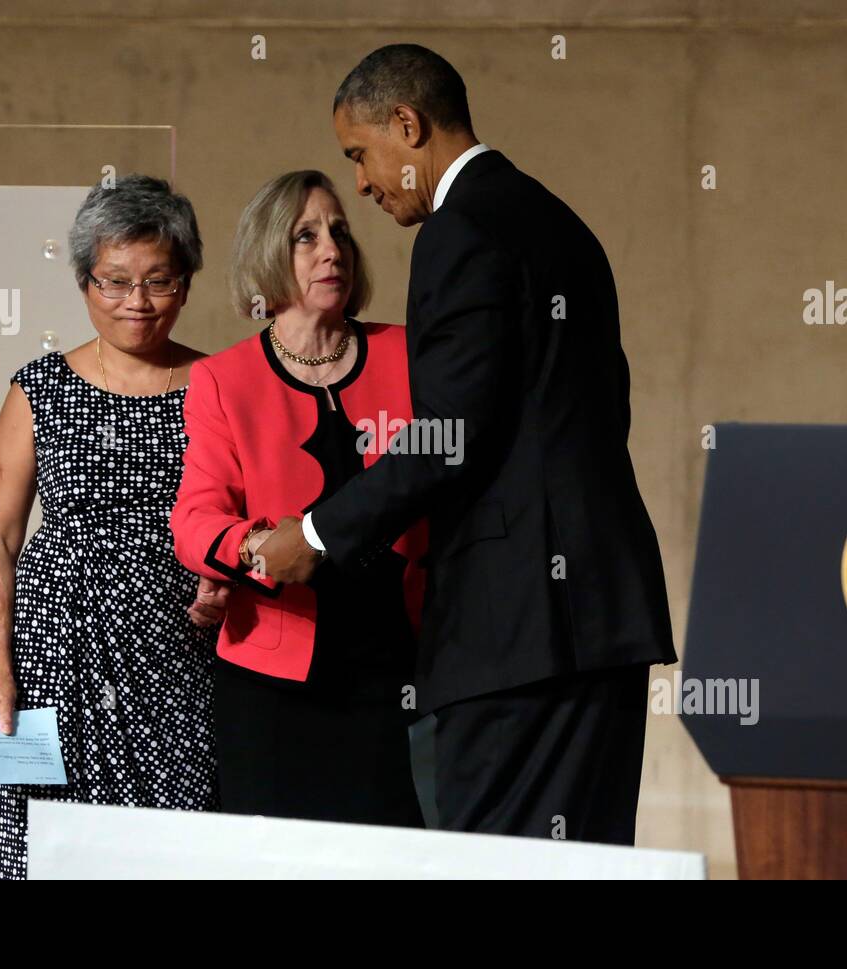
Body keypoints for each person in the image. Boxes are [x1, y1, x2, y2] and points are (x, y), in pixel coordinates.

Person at [256, 44, 677, 845]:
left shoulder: (461, 232)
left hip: (517, 631)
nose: (364, 184)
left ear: (406, 125)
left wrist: (315, 535)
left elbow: (450, 436)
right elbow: (601, 406)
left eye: (360, 154)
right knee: (587, 864)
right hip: (599, 615)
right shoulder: (561, 223)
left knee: (499, 863)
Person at [0, 174, 226, 879]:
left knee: (181, 843)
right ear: (84, 282)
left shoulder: (219, 383)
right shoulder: (39, 387)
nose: (136, 303)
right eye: (114, 282)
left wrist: (225, 580)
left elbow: (245, 521)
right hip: (56, 650)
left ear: (186, 282)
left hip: (181, 647)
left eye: (158, 281)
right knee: (52, 841)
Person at [171, 170, 426, 828]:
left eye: (339, 232)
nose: (331, 249)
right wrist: (255, 548)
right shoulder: (224, 380)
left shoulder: (406, 354)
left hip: (398, 671)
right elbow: (195, 518)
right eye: (305, 236)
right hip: (272, 685)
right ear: (267, 257)